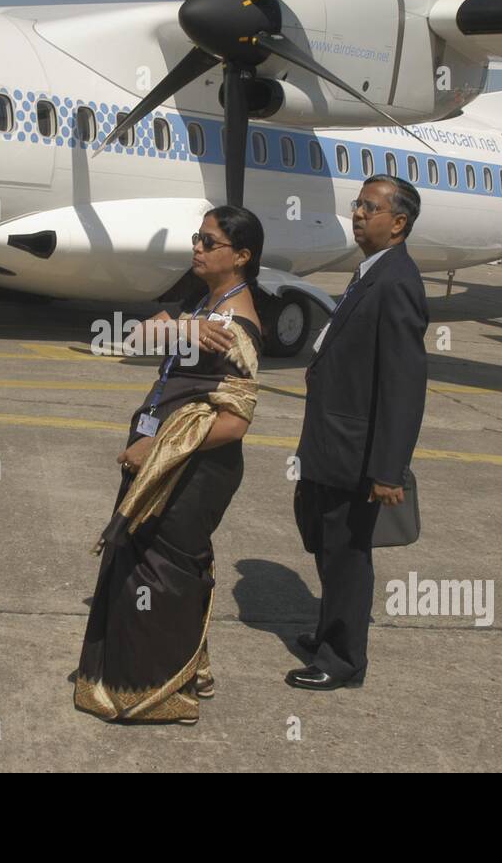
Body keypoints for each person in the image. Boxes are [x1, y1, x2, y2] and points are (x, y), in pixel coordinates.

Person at [74, 206, 264, 724]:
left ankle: (158, 692)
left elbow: (233, 424)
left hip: (193, 470)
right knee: (143, 565)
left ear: (241, 256)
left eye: (209, 242)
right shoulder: (202, 306)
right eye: (196, 239)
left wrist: (155, 449)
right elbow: (133, 338)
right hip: (159, 457)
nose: (197, 249)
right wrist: (181, 326)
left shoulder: (236, 328)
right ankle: (183, 670)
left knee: (163, 574)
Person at [287, 174, 429, 691]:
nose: (359, 214)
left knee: (347, 556)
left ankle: (344, 660)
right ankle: (328, 631)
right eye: (358, 204)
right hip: (333, 443)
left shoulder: (397, 283)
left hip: (357, 453)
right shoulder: (371, 272)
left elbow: (404, 386)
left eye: (371, 208)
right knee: (328, 547)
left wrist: (388, 470)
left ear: (399, 223)